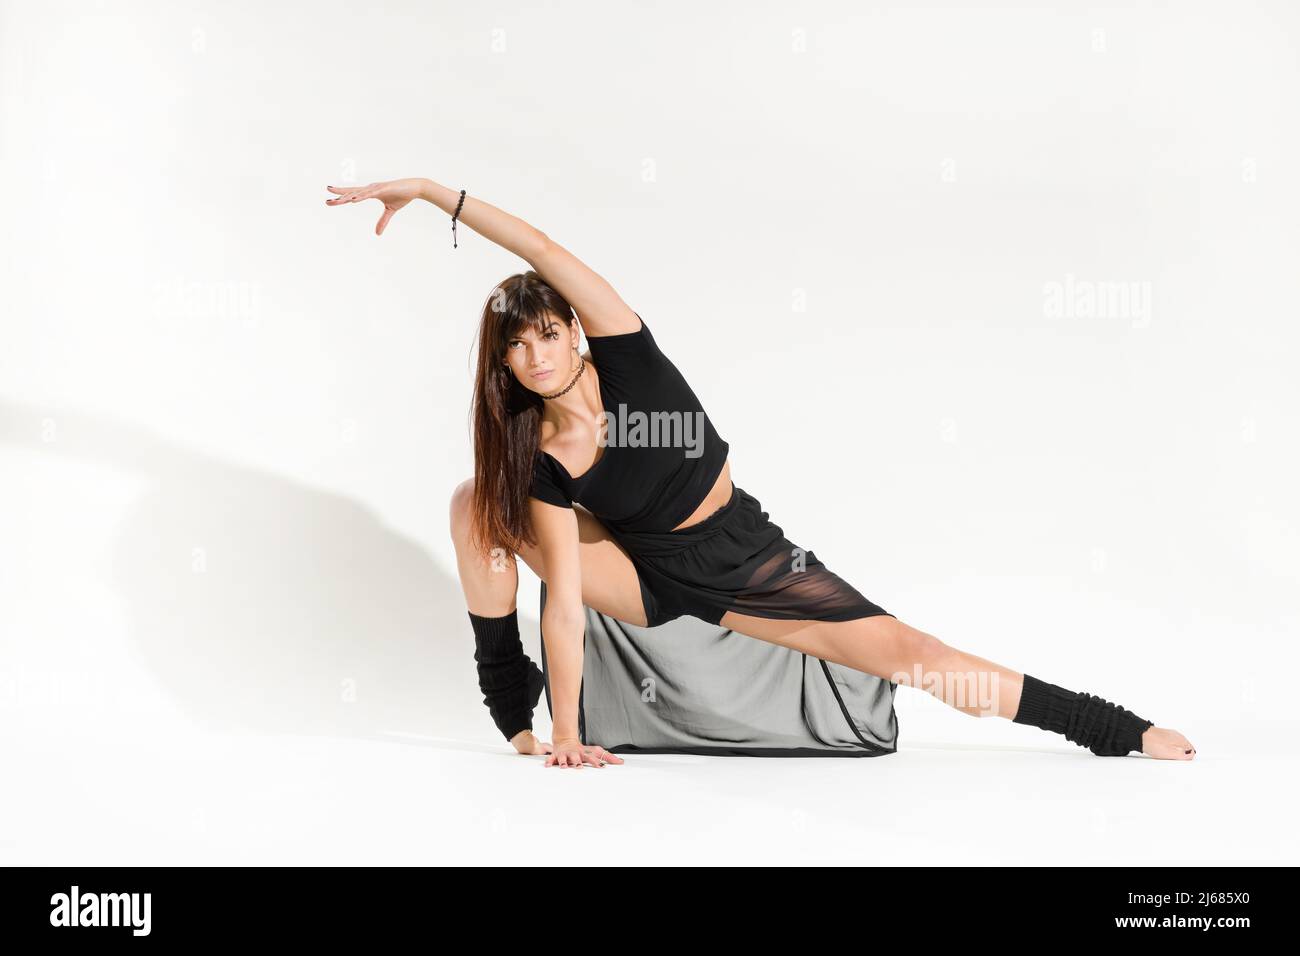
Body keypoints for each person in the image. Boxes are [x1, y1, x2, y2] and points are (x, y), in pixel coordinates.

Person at [325, 177, 1197, 769]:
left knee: (914, 654)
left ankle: (1110, 729)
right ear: (506, 367)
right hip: (644, 574)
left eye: (546, 333)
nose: (535, 353)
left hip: (745, 559)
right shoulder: (549, 461)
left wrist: (439, 193)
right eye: (516, 347)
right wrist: (556, 736)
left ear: (576, 330)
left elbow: (543, 247)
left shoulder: (632, 358)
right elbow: (559, 596)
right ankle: (509, 714)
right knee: (475, 502)